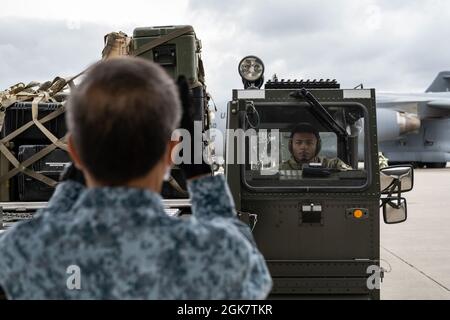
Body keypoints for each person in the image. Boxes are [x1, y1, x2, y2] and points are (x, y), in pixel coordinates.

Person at [0, 57, 272, 299]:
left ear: (75, 153)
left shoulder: (23, 248)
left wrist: (68, 187)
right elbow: (250, 267)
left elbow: (45, 233)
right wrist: (199, 172)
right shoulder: (214, 252)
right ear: (171, 154)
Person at [280, 122, 351, 171]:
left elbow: (352, 178)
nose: (304, 147)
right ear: (290, 145)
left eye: (309, 143)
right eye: (298, 143)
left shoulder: (333, 165)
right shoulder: (280, 169)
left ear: (318, 145)